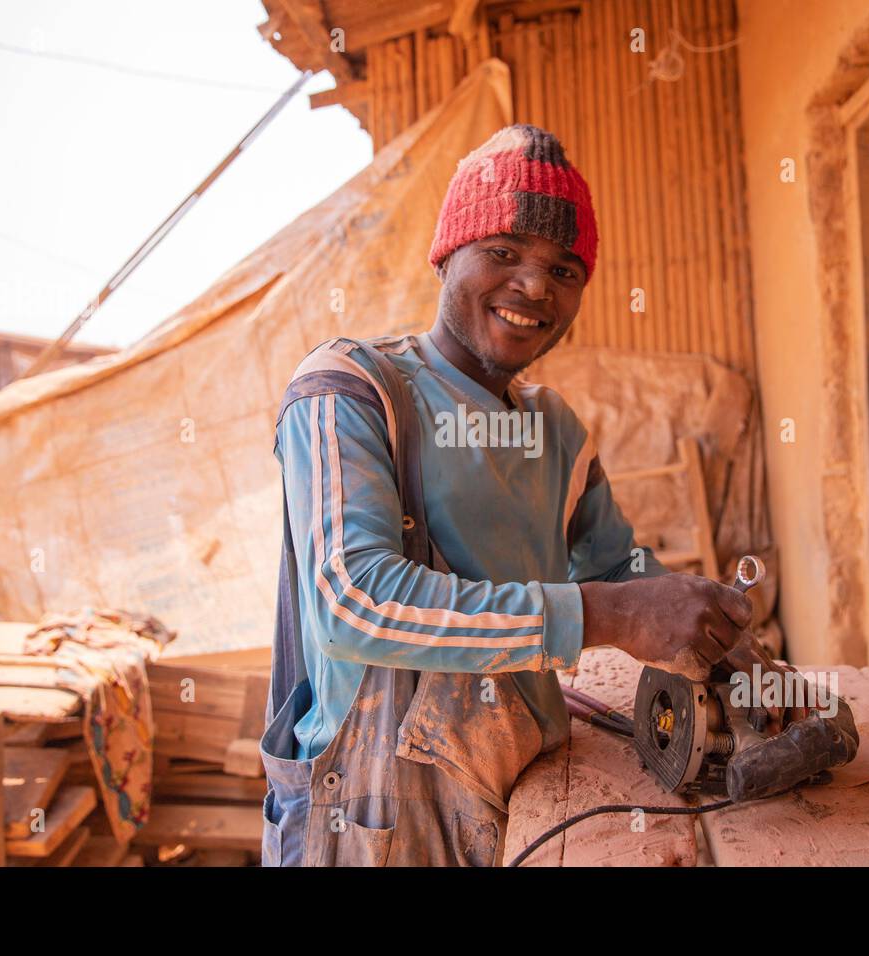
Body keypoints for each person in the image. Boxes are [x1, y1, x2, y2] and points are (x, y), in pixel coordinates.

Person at [259, 123, 752, 866]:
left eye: (565, 269)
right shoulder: (352, 390)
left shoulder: (554, 431)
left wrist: (707, 625)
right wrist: (610, 615)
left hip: (519, 796)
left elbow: (620, 567)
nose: (534, 287)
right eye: (503, 253)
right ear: (446, 255)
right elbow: (351, 603)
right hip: (374, 819)